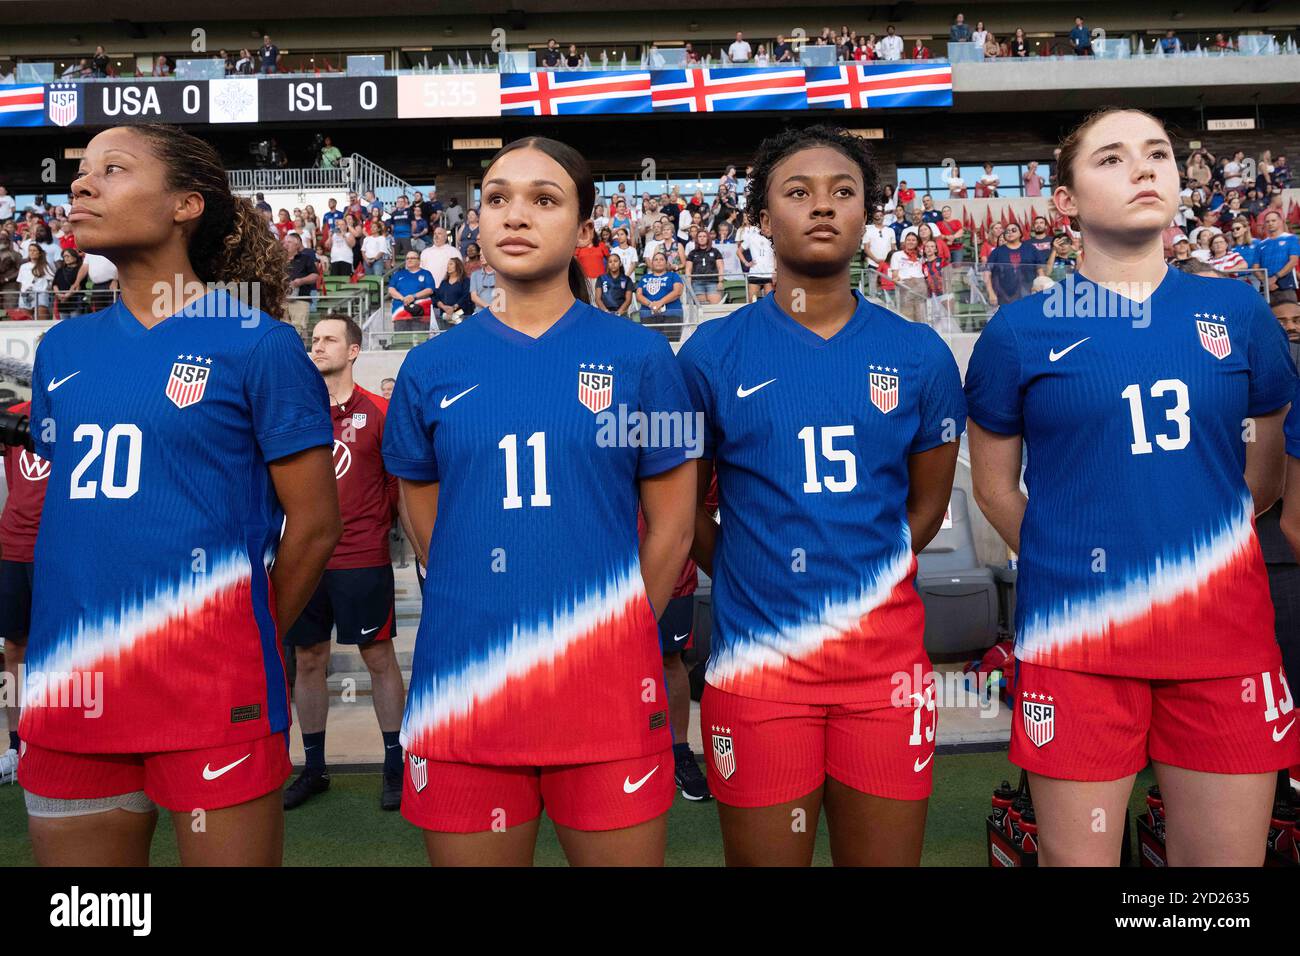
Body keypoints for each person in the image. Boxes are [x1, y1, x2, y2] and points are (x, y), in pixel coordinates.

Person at [965, 107, 1300, 867]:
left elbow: (1269, 468)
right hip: (1079, 642)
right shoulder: (1019, 331)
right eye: (1112, 158)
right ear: (1067, 202)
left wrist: (1191, 545)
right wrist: (1083, 561)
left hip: (1223, 636)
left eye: (1157, 154)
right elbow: (995, 491)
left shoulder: (1237, 309)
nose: (1144, 169)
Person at [18, 123, 340, 866]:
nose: (82, 185)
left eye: (114, 169)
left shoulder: (257, 343)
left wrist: (243, 633)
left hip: (210, 690)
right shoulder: (60, 349)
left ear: (185, 205)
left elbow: (317, 526)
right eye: (82, 171)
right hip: (74, 690)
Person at [380, 135, 696, 867]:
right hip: (466, 681)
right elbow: (422, 516)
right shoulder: (429, 366)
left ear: (586, 230)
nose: (514, 215)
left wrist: (614, 636)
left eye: (543, 199)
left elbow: (675, 525)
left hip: (606, 687)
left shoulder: (645, 358)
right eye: (497, 198)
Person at [678, 125, 963, 866]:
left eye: (844, 192)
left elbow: (926, 509)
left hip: (885, 674)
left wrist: (863, 578)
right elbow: (684, 510)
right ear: (763, 220)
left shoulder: (918, 352)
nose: (824, 207)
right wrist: (743, 566)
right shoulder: (710, 352)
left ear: (868, 214)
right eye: (798, 192)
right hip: (756, 673)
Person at [284, 315, 410, 812]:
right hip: (305, 559)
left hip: (362, 557)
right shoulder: (295, 413)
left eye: (329, 339)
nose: (317, 346)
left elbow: (401, 491)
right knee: (309, 659)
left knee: (377, 658)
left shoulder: (380, 412)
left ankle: (394, 763)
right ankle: (314, 768)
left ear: (354, 351)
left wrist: (420, 549)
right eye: (313, 340)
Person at [0, 391, 50, 783]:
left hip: (60, 546)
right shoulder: (14, 416)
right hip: (13, 545)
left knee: (60, 650)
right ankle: (17, 746)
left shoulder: (79, 409)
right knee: (15, 646)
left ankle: (55, 742)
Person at [984, 222, 1047, 305]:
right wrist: (991, 293)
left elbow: (1040, 271)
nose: (1010, 232)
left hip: (1029, 292)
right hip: (1003, 295)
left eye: (1014, 230)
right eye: (1007, 231)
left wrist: (1041, 288)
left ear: (1020, 233)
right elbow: (987, 273)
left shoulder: (1031, 249)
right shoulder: (997, 252)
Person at [1258, 209, 1300, 305]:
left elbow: (1293, 261)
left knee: (1290, 315)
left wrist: (1275, 278)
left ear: (1281, 221)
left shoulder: (1291, 238)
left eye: (1273, 220)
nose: (1270, 223)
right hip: (1266, 289)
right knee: (1268, 319)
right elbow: (1256, 267)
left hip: (1286, 286)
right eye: (1267, 221)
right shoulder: (1261, 244)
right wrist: (1266, 282)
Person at [388, 250, 436, 333]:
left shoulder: (426, 273)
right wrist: (403, 298)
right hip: (400, 313)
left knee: (420, 340)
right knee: (402, 340)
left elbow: (430, 290)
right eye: (407, 258)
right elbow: (391, 289)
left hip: (421, 313)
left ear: (419, 261)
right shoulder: (398, 274)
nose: (409, 260)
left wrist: (413, 296)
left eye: (412, 258)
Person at [636, 251, 685, 330]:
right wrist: (650, 305)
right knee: (651, 341)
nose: (658, 261)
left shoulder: (673, 275)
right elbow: (638, 295)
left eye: (661, 259)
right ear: (652, 263)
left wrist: (660, 303)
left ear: (666, 263)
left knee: (671, 341)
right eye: (656, 259)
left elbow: (678, 292)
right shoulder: (644, 278)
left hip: (672, 314)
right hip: (648, 314)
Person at [432, 256, 473, 330]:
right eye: (447, 264)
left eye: (451, 264)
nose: (448, 266)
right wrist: (443, 307)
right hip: (445, 316)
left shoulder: (465, 281)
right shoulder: (444, 282)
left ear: (458, 266)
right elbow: (437, 297)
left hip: (461, 316)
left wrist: (453, 308)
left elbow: (466, 296)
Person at [685, 229, 724, 305]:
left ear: (708, 238)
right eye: (699, 236)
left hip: (713, 282)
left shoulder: (715, 251)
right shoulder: (692, 253)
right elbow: (688, 269)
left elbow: (720, 268)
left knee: (714, 307)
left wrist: (720, 281)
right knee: (701, 308)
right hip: (697, 283)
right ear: (697, 239)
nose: (702, 238)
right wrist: (688, 284)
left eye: (704, 236)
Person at [738, 222, 774, 301]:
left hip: (769, 273)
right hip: (755, 272)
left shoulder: (773, 238)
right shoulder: (752, 237)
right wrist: (746, 263)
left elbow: (777, 255)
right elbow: (739, 251)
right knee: (752, 300)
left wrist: (776, 270)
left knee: (770, 301)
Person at [17, 243, 55, 320]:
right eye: (30, 250)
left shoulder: (45, 266)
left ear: (39, 253)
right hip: (25, 295)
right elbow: (20, 282)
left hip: (40, 295)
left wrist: (46, 290)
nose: (32, 252)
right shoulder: (23, 266)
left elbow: (52, 280)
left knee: (41, 320)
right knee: (26, 320)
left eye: (34, 250)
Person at [328, 212, 358, 277]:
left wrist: (343, 235)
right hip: (334, 260)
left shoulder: (349, 234)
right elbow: (328, 246)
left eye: (342, 224)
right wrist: (329, 236)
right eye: (339, 225)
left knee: (345, 282)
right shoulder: (334, 235)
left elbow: (352, 244)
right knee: (335, 282)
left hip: (346, 260)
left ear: (346, 226)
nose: (340, 226)